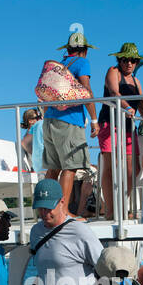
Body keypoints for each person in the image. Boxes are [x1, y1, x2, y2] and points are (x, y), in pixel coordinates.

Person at [43, 33, 99, 214]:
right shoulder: (82, 63)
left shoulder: (59, 66)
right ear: (85, 51)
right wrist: (94, 120)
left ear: (67, 50)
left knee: (54, 167)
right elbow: (87, 92)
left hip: (50, 119)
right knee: (71, 166)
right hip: (69, 121)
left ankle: (46, 209)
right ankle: (64, 211)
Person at [98, 43, 143, 219]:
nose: (129, 63)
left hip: (128, 128)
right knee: (111, 166)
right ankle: (110, 209)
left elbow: (142, 105)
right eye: (126, 59)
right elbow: (114, 92)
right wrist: (127, 107)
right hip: (110, 123)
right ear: (119, 60)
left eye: (133, 60)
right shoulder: (113, 71)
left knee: (133, 168)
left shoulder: (136, 81)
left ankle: (120, 204)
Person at [19, 107, 44, 174]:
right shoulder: (30, 136)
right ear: (30, 121)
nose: (41, 119)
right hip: (38, 171)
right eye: (38, 117)